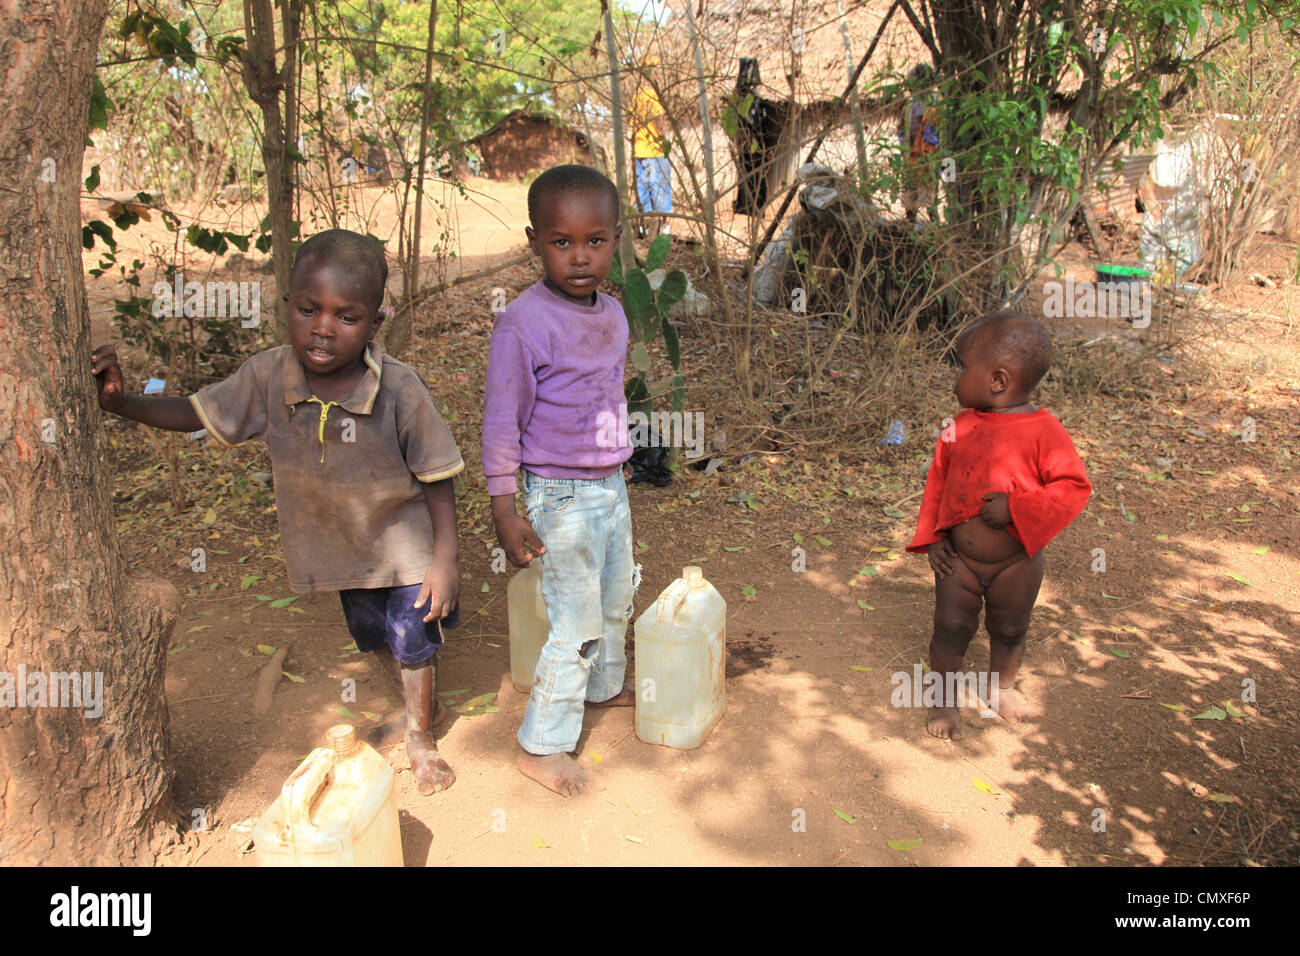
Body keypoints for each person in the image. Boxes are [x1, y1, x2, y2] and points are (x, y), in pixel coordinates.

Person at [91, 229, 465, 794]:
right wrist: (122, 404)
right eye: (309, 309)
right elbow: (197, 413)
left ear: (375, 323)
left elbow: (438, 477)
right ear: (286, 306)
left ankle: (419, 734)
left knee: (413, 638)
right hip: (344, 554)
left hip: (406, 546)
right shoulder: (268, 376)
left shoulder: (399, 389)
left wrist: (445, 560)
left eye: (347, 316)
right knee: (378, 639)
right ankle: (421, 710)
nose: (322, 327)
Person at [482, 164, 636, 797]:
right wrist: (504, 506)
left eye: (595, 241)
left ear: (616, 239)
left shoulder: (616, 315)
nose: (579, 257)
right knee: (573, 622)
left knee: (617, 596)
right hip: (558, 494)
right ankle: (541, 744)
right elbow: (501, 420)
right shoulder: (522, 323)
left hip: (610, 485)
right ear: (533, 242)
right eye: (561, 242)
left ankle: (600, 689)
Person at [906, 311, 1091, 740]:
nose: (954, 378)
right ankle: (944, 700)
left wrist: (1018, 507)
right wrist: (933, 539)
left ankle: (1000, 687)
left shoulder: (1045, 431)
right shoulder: (956, 428)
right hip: (960, 562)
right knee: (949, 629)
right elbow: (937, 485)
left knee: (1010, 630)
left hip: (1016, 563)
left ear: (997, 381)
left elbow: (1073, 487)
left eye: (961, 367)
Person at [631, 58, 673, 236]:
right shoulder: (650, 94)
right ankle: (664, 227)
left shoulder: (636, 95)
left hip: (640, 150)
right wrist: (664, 143)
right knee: (659, 187)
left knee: (644, 187)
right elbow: (659, 121)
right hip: (653, 150)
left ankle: (644, 226)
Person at [897, 62, 940, 222]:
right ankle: (910, 227)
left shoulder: (937, 103)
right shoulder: (909, 106)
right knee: (910, 196)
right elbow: (901, 129)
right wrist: (903, 148)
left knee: (934, 195)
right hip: (912, 156)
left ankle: (938, 227)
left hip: (935, 156)